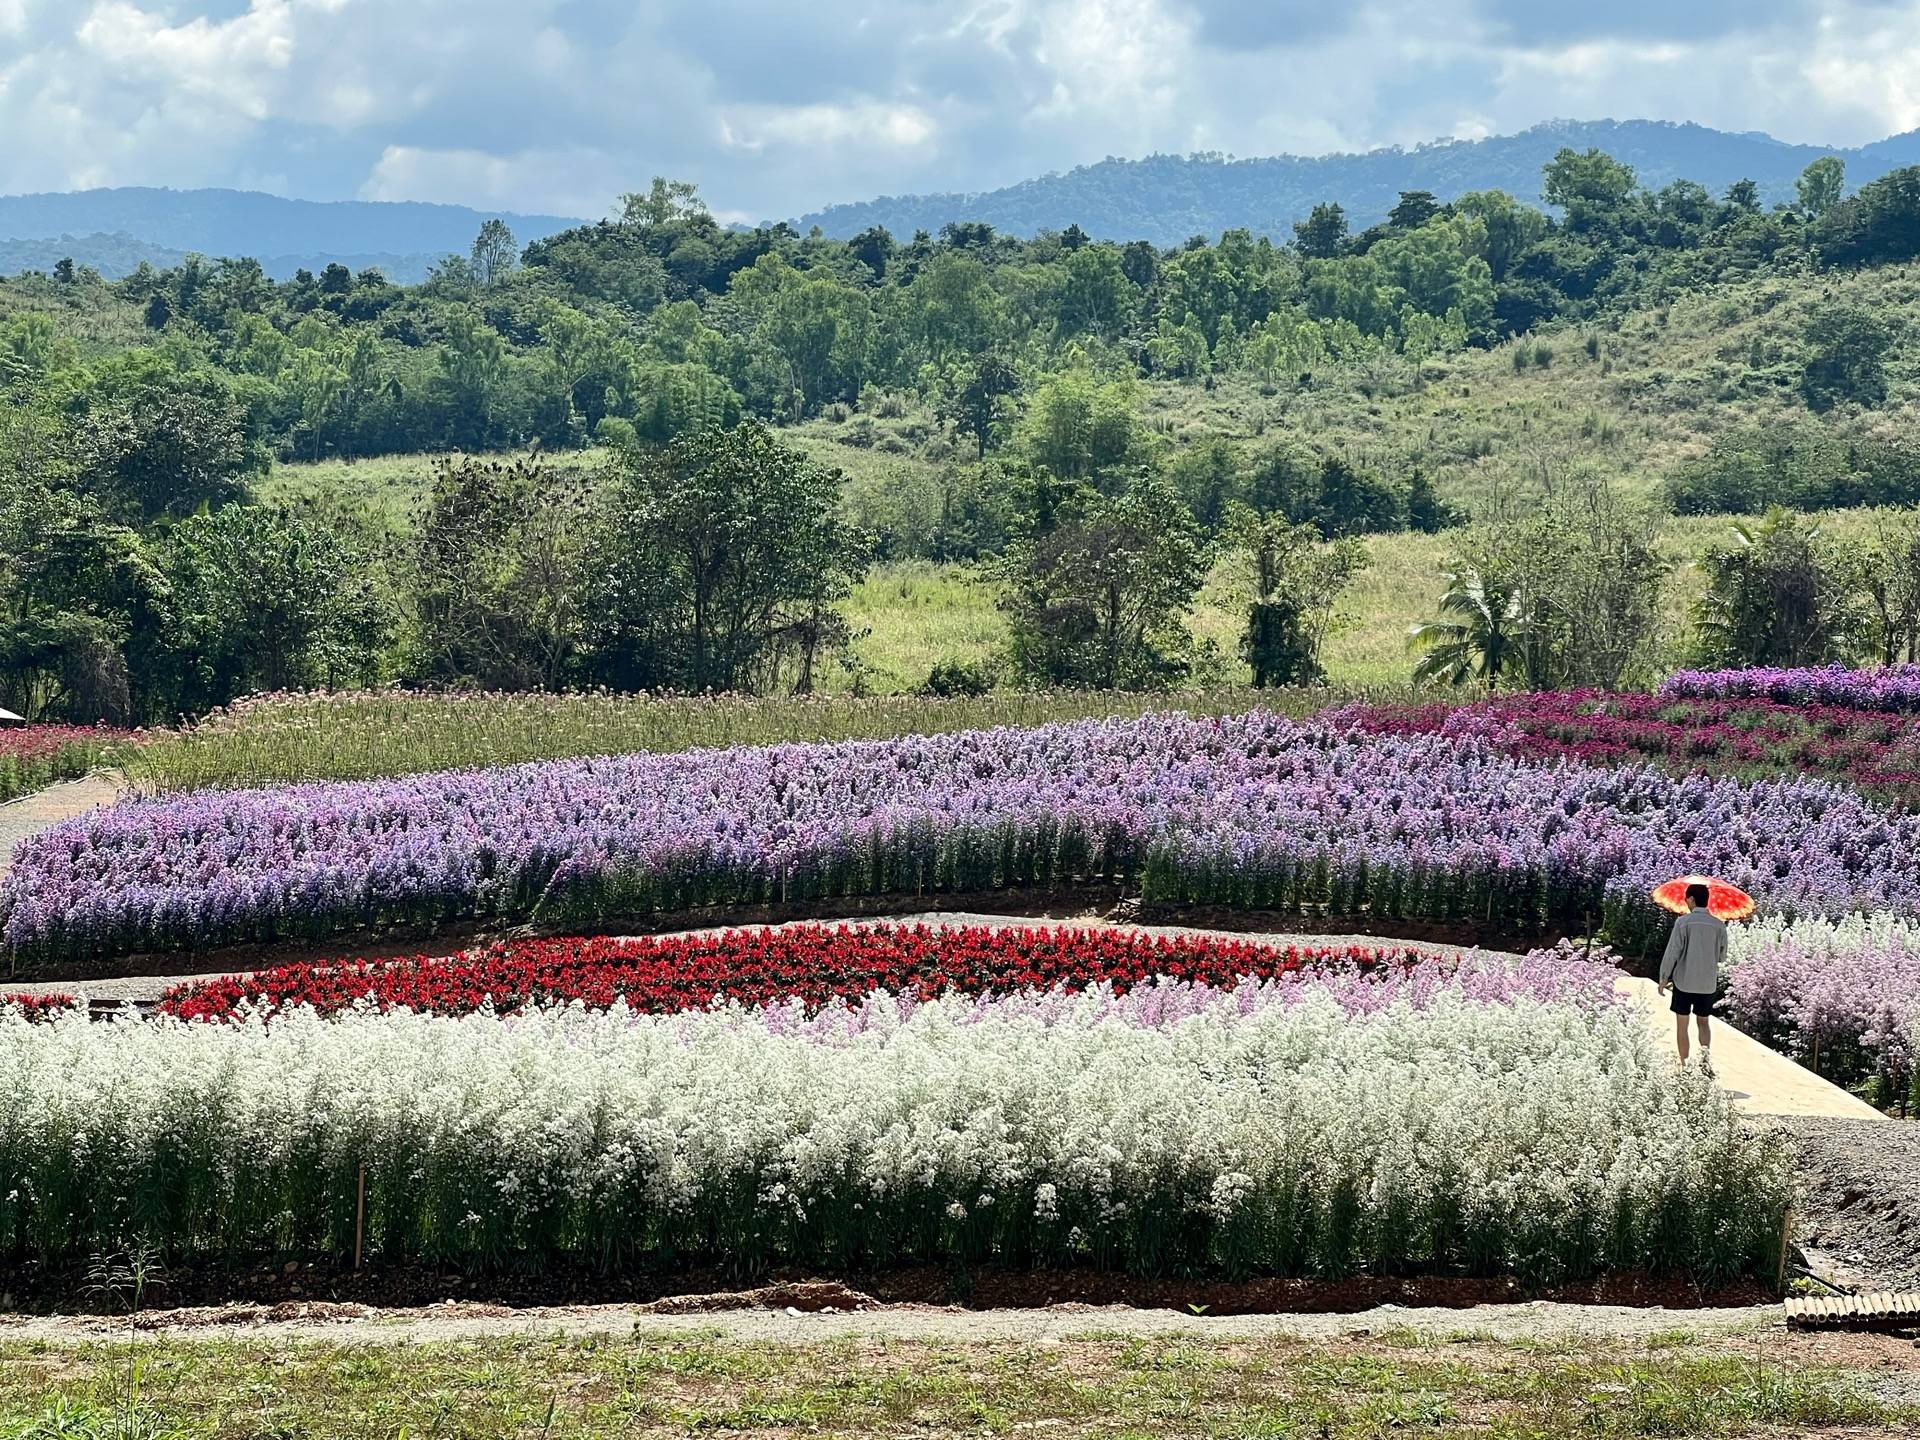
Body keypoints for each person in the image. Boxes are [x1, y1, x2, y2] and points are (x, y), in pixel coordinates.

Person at [1658, 882, 1728, 1072]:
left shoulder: (1683, 923)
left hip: (1685, 981)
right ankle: (1705, 1063)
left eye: (1686, 899)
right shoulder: (1719, 925)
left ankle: (1685, 1065)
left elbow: (1673, 951)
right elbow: (1722, 956)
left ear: (1691, 899)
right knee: (1703, 1022)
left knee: (1683, 1024)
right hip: (1707, 983)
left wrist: (1664, 977)